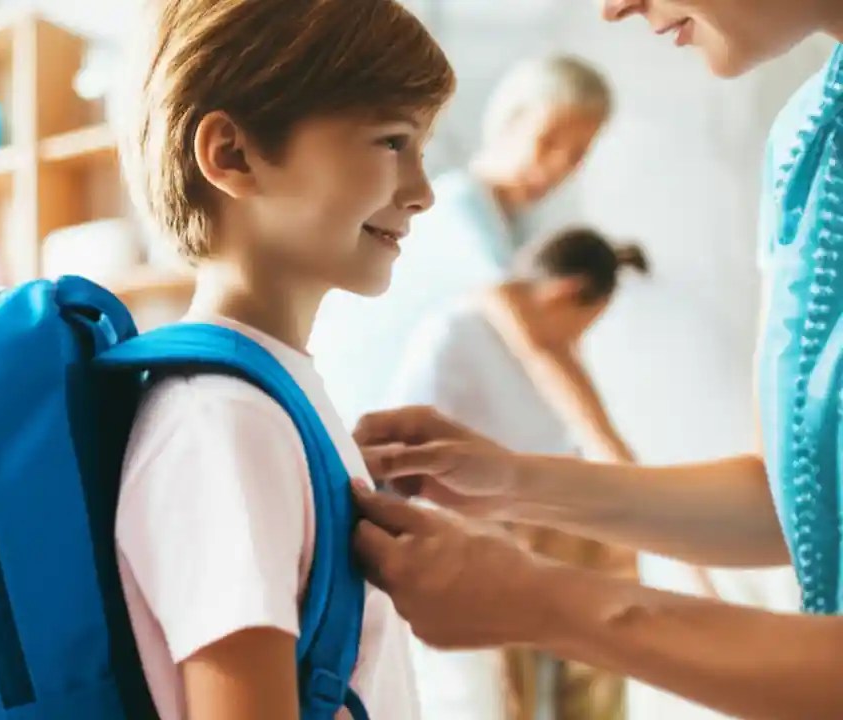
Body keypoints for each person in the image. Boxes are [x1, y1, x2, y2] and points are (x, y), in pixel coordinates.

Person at [349, 1, 843, 717]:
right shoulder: (802, 145)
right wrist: (515, 481)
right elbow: (791, 505)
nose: (614, 6)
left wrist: (547, 602)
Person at [112, 1, 455, 718]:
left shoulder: (268, 395)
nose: (422, 193)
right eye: (393, 142)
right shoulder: (223, 420)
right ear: (232, 155)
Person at [391, 227, 649, 720]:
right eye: (581, 325)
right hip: (464, 525)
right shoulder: (461, 330)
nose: (577, 343)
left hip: (527, 518)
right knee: (502, 674)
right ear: (563, 295)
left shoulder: (534, 352)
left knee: (613, 589)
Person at [312, 55, 614, 427]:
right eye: (547, 141)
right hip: (351, 423)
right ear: (510, 122)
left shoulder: (518, 230)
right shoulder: (460, 208)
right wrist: (614, 456)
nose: (557, 166)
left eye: (576, 154)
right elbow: (534, 340)